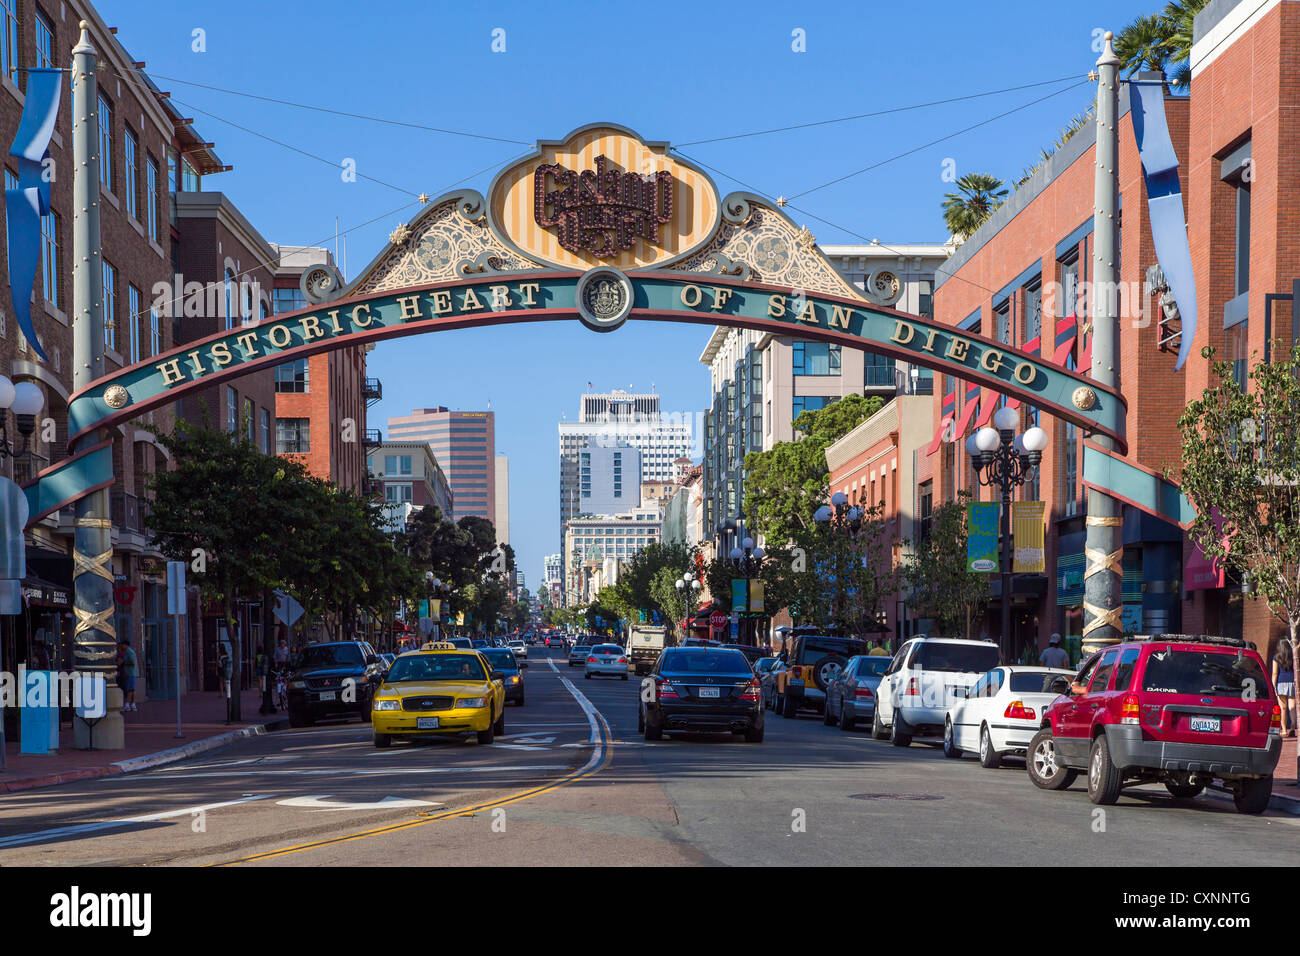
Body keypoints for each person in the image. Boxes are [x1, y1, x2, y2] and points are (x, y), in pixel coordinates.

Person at [1273, 641, 1295, 738]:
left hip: (1281, 683)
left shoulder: (1276, 657)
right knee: (1292, 707)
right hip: (1292, 682)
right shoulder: (1293, 656)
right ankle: (1293, 727)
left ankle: (1284, 730)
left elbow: (1275, 673)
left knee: (1283, 708)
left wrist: (1273, 686)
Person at [119, 637, 138, 713]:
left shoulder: (130, 652)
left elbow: (133, 663)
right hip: (131, 673)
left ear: (126, 645)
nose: (122, 646)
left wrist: (124, 664)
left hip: (131, 673)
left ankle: (127, 705)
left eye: (123, 645)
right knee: (132, 689)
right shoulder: (127, 652)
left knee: (130, 689)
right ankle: (132, 705)